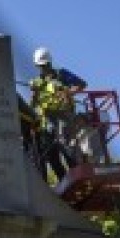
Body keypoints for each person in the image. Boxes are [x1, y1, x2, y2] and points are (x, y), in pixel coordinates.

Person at [29, 47, 88, 181]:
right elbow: (33, 105)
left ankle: (76, 175)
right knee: (50, 154)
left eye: (46, 65)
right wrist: (34, 95)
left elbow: (82, 84)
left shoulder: (61, 74)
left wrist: (68, 92)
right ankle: (64, 180)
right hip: (47, 121)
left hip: (64, 117)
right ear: (37, 66)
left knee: (67, 148)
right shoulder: (36, 83)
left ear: (50, 63)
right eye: (41, 66)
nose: (44, 68)